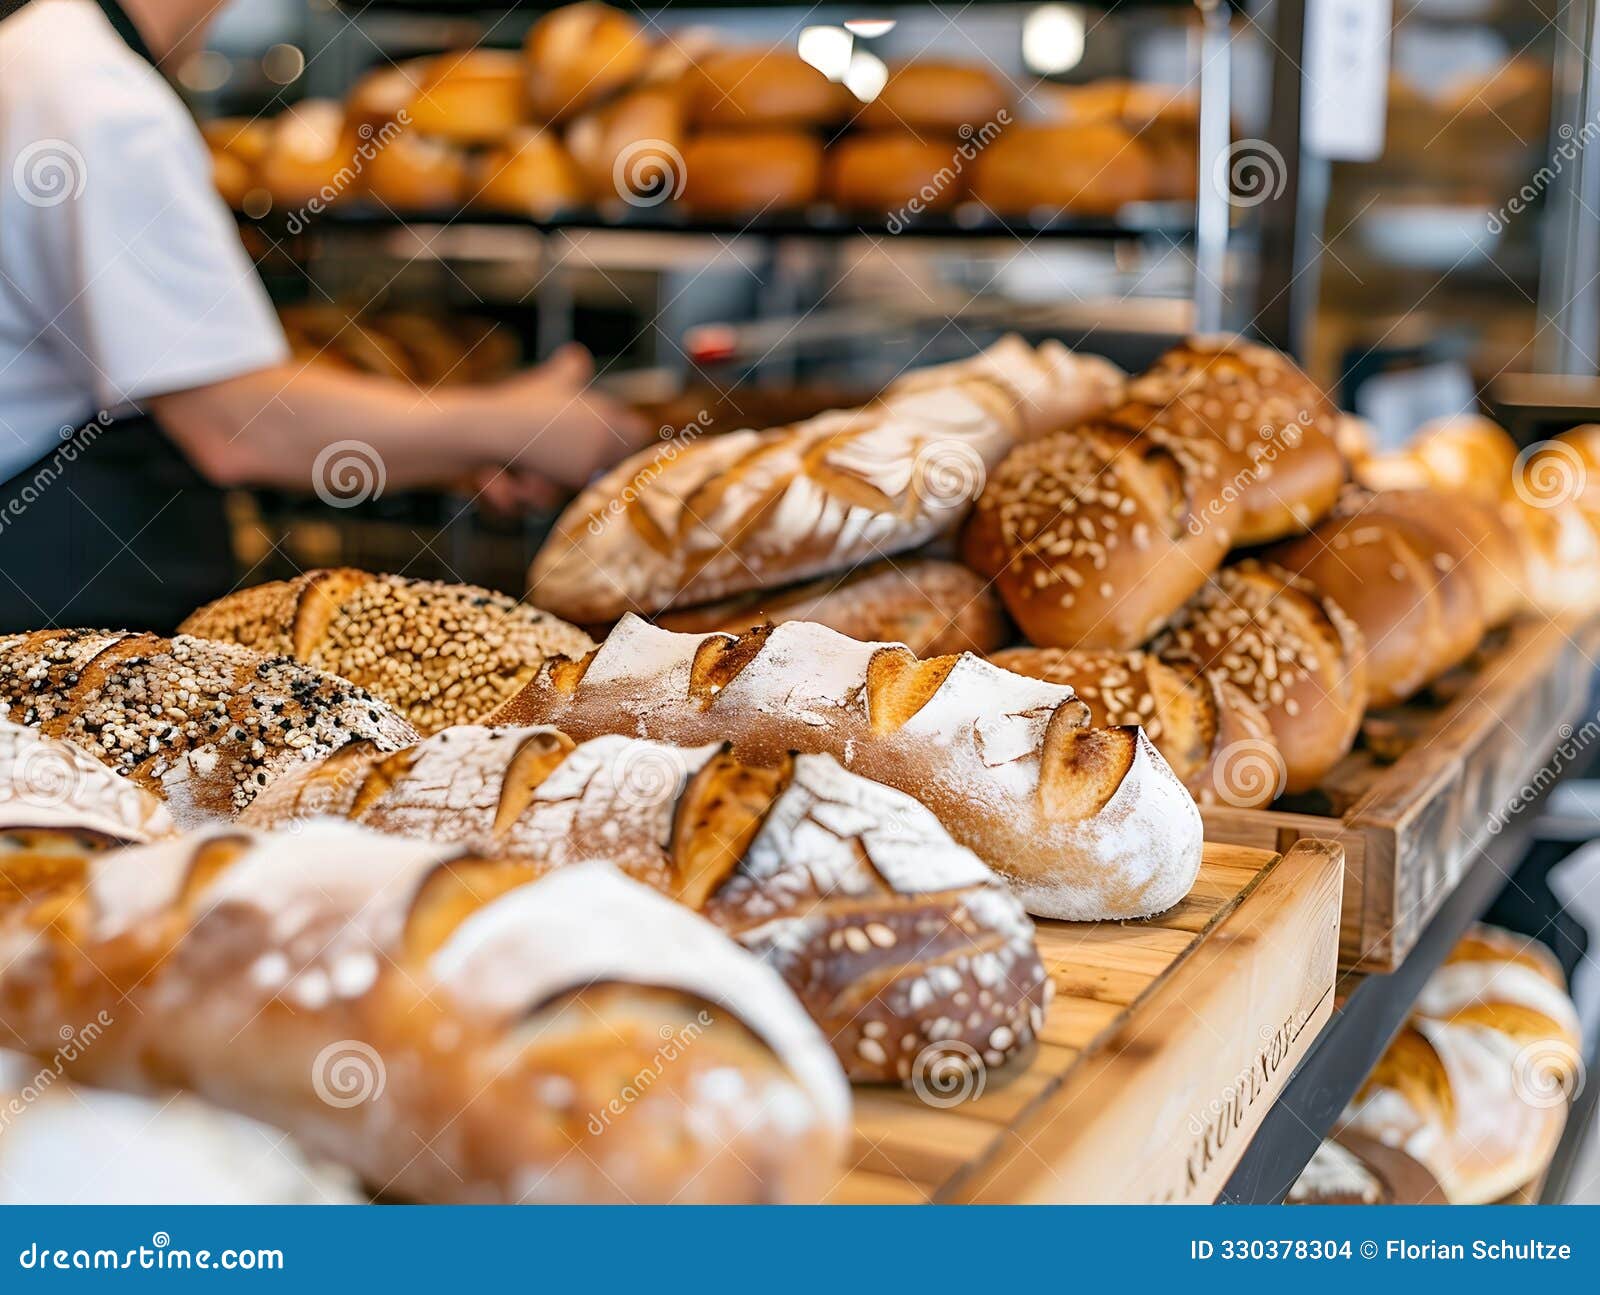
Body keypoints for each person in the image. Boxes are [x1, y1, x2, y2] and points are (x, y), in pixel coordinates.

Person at [0, 0, 647, 631]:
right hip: (43, 593)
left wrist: (452, 443)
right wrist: (514, 426)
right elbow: (237, 425)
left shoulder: (50, 58)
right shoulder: (97, 98)